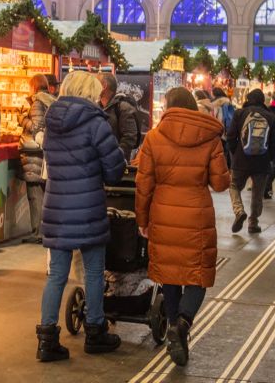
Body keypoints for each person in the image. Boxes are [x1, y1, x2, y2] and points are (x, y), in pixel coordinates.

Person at [135, 88, 230, 367]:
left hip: (163, 213)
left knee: (171, 276)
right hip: (197, 216)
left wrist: (142, 220)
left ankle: (176, 330)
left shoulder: (154, 137)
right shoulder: (209, 138)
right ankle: (182, 325)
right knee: (198, 276)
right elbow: (221, 183)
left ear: (169, 106)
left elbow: (143, 185)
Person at [35, 71, 125, 362]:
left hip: (57, 205)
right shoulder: (95, 123)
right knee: (94, 272)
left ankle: (47, 340)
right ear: (90, 94)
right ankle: (96, 331)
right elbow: (114, 169)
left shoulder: (51, 122)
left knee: (56, 275)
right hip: (87, 207)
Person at [225, 89, 275, 235]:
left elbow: (230, 137)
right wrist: (268, 158)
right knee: (257, 192)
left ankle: (239, 211)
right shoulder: (272, 118)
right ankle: (253, 223)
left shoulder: (239, 114)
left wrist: (235, 153)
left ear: (248, 99)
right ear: (263, 100)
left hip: (241, 160)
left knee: (234, 185)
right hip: (262, 162)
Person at [19, 74, 56, 244]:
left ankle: (38, 232)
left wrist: (22, 118)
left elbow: (36, 127)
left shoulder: (37, 102)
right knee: (44, 194)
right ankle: (45, 229)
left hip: (34, 156)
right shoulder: (51, 100)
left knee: (35, 195)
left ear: (33, 86)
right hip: (44, 156)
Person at [97, 73, 140, 161]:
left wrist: (116, 157)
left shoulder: (123, 107)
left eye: (95, 82)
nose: (92, 86)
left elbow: (130, 137)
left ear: (104, 85)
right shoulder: (96, 107)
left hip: (116, 165)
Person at [211, 88, 234, 169]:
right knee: (226, 150)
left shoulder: (213, 104)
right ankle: (227, 167)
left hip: (217, 130)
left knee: (218, 151)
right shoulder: (228, 102)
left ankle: (220, 167)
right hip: (227, 129)